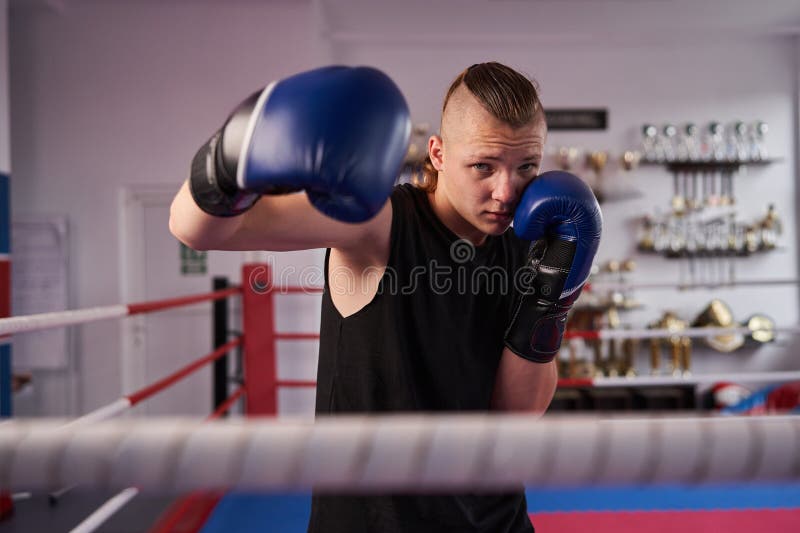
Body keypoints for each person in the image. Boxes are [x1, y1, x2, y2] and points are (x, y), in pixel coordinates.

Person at [170, 62, 601, 533]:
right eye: (483, 166)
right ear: (437, 154)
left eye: (526, 168)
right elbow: (194, 228)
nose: (506, 191)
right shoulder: (380, 227)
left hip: (495, 520)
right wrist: (235, 154)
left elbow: (517, 412)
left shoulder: (530, 242)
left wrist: (550, 303)